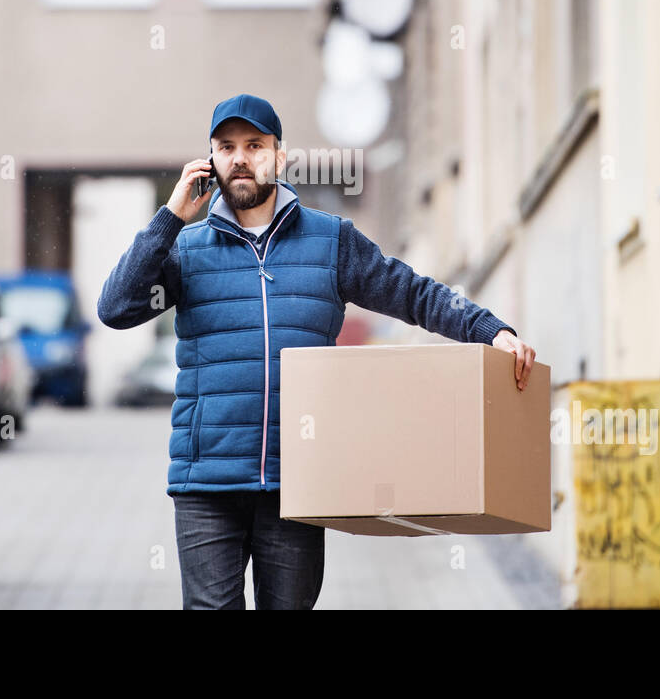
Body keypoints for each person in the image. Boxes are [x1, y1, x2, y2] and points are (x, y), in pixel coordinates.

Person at [97, 93, 536, 609]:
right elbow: (116, 307)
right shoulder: (186, 251)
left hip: (298, 482)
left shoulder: (330, 243)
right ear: (210, 161)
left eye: (254, 145)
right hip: (206, 483)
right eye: (226, 146)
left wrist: (488, 329)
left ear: (279, 157)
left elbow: (412, 292)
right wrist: (170, 217)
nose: (240, 158)